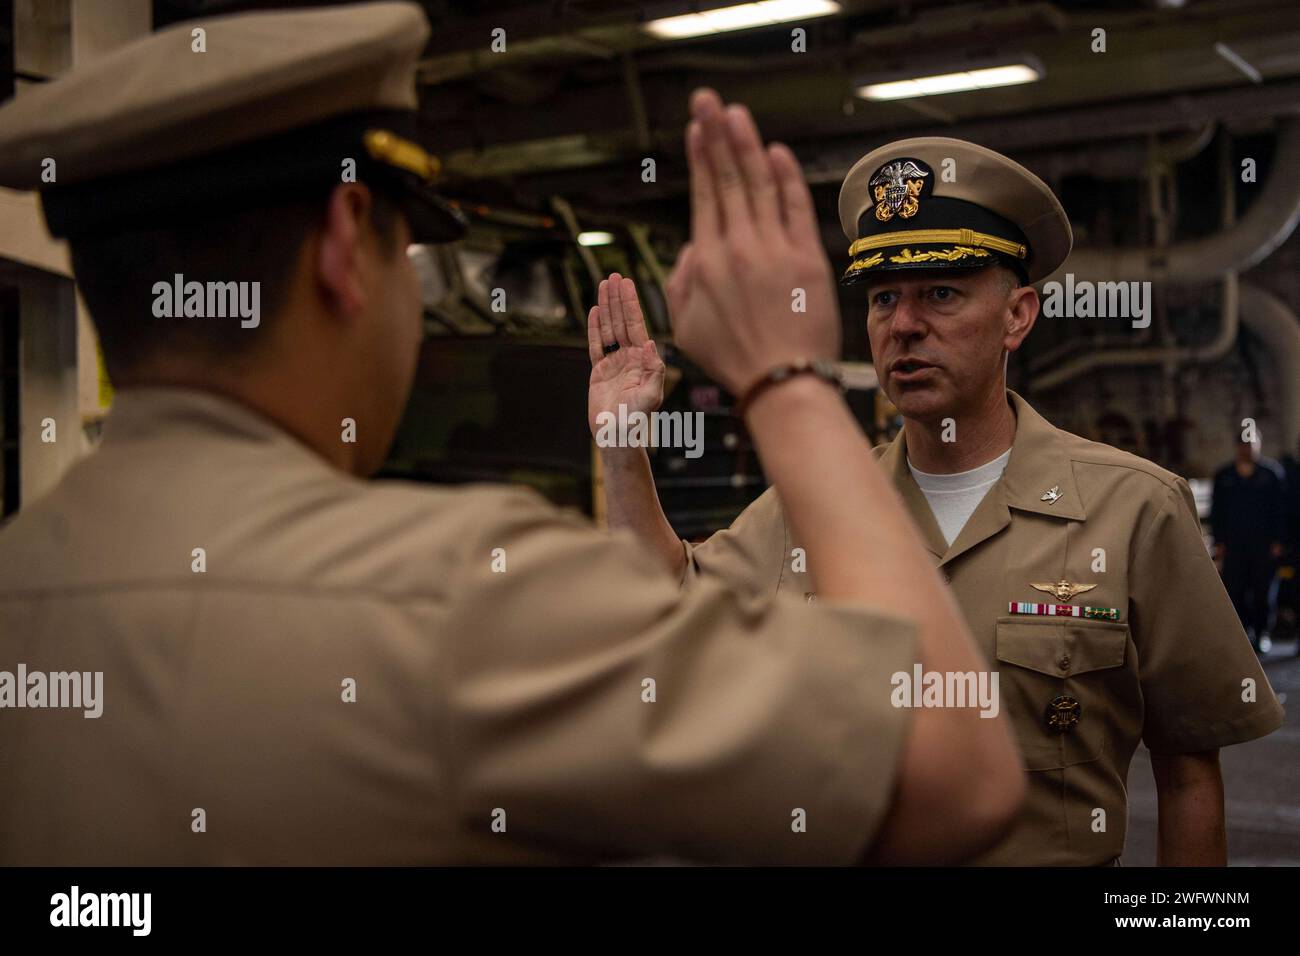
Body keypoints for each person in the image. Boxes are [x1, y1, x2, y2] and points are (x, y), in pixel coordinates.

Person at [0, 3, 1023, 864]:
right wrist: (786, 378)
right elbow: (955, 771)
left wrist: (623, 445)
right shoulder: (459, 595)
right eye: (408, 249)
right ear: (348, 244)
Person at [592, 137, 1284, 866]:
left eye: (941, 292)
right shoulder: (815, 503)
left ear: (1018, 315)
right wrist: (620, 441)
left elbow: (1188, 773)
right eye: (884, 297)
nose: (904, 324)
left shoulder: (1135, 509)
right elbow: (664, 601)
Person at [1211, 433, 1287, 651]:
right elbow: (1217, 512)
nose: (1247, 449)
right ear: (1237, 446)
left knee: (1263, 591)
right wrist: (1219, 542)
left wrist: (1279, 541)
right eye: (1243, 445)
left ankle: (1262, 632)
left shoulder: (1271, 474)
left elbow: (1280, 510)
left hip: (1263, 545)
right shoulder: (1224, 475)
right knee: (1236, 590)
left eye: (1251, 444)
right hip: (1235, 545)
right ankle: (1243, 633)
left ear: (1259, 445)